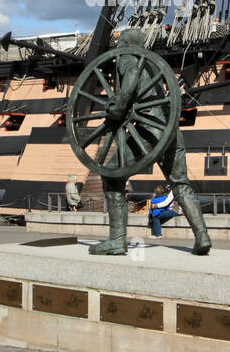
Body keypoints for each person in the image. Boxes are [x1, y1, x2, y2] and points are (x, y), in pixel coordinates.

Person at [90, 29, 211, 256]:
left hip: (148, 132)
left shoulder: (127, 59)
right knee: (180, 183)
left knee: (112, 176)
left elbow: (132, 75)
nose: (117, 45)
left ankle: (117, 240)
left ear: (125, 43)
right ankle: (202, 236)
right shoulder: (152, 65)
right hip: (171, 132)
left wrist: (120, 103)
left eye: (119, 41)